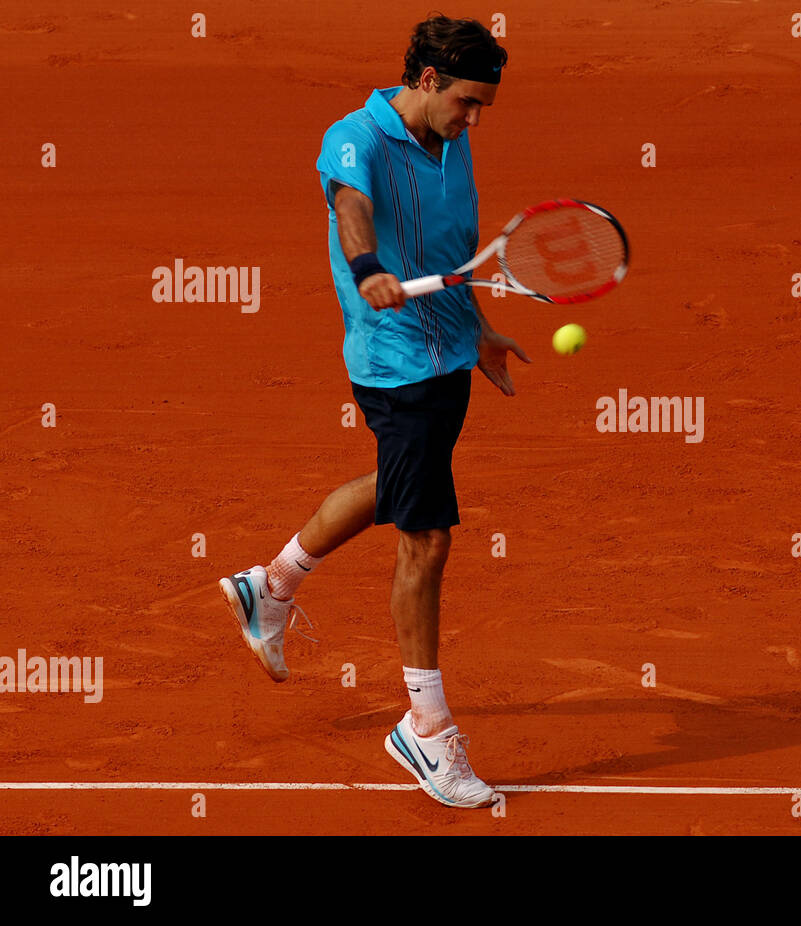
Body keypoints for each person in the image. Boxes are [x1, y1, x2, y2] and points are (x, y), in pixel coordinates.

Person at [219, 14, 528, 810]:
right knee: (426, 536)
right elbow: (351, 203)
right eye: (466, 101)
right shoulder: (354, 136)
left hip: (449, 353)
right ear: (427, 82)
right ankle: (424, 732)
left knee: (400, 486)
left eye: (483, 106)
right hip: (396, 366)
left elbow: (451, 248)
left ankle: (271, 584)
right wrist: (364, 266)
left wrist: (482, 330)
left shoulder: (452, 138)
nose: (474, 119)